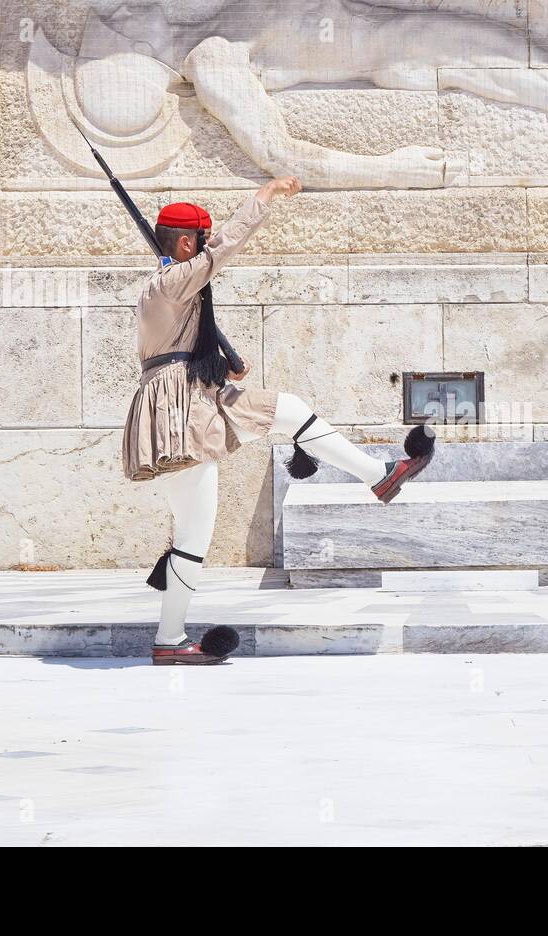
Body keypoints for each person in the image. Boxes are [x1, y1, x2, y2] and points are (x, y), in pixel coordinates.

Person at [122, 177, 434, 664]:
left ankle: (381, 476)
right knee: (194, 534)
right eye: (199, 242)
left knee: (285, 409)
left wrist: (221, 366)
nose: (205, 249)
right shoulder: (169, 282)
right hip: (179, 412)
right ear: (186, 244)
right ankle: (169, 640)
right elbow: (223, 247)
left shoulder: (171, 287)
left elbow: (177, 349)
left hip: (198, 397)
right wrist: (263, 199)